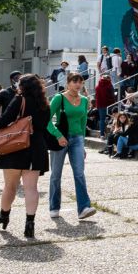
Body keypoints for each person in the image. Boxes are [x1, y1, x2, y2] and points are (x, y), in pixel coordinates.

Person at [0, 74, 58, 239]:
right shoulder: (45, 104)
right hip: (36, 147)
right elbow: (43, 126)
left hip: (16, 146)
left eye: (19, 84)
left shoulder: (19, 99)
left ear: (23, 87)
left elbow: (4, 120)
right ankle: (30, 224)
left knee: (10, 186)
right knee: (31, 188)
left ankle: (4, 216)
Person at [47, 72, 97, 222]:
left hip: (77, 139)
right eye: (74, 81)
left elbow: (83, 124)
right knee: (56, 175)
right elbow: (47, 121)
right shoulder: (59, 98)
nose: (78, 85)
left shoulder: (84, 100)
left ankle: (83, 208)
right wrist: (58, 135)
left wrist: (82, 146)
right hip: (60, 139)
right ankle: (54, 207)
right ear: (68, 83)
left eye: (80, 82)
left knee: (79, 174)